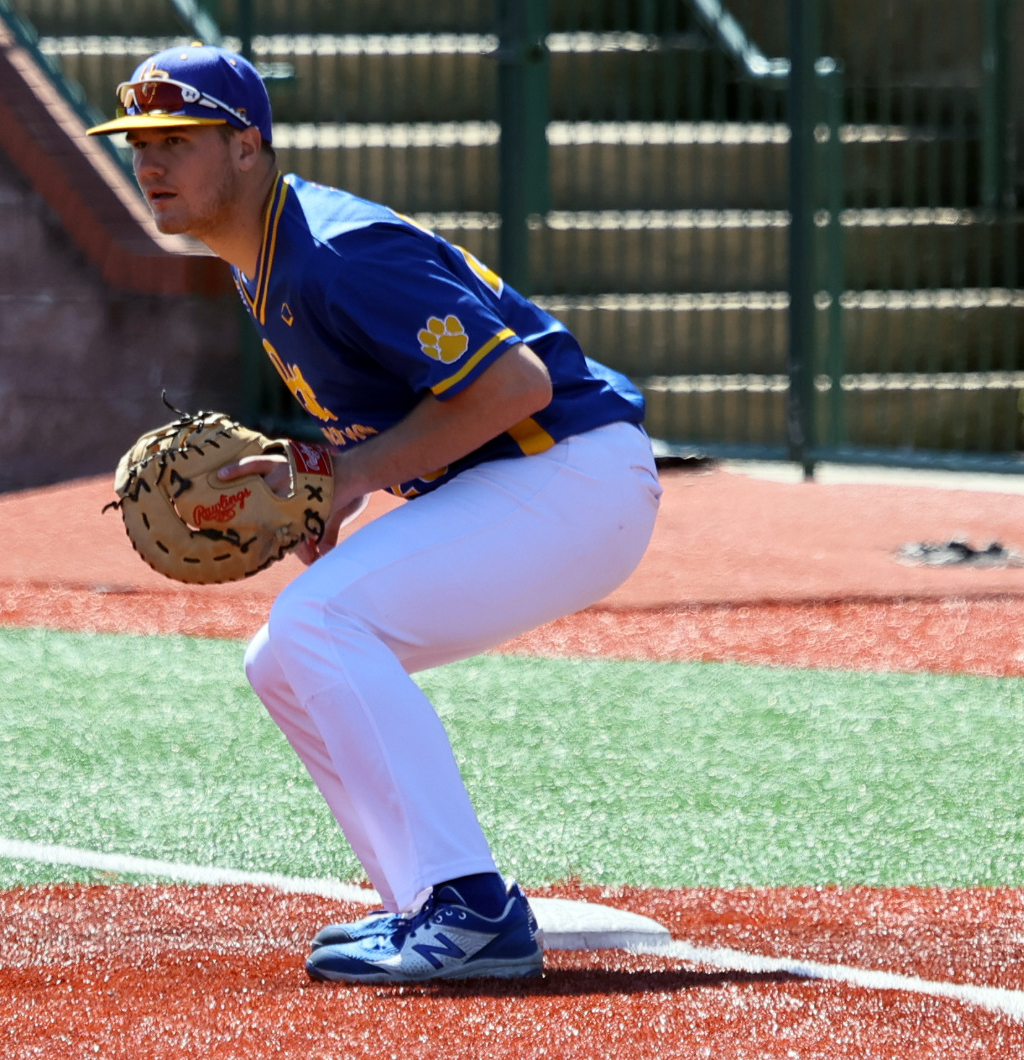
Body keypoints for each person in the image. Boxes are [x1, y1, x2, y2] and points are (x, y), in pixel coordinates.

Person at [87, 47, 661, 983]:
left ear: (245, 148)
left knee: (319, 619)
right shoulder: (267, 258)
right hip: (520, 483)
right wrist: (329, 489)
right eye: (139, 142)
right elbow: (412, 422)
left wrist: (351, 475)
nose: (149, 164)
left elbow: (513, 385)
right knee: (280, 659)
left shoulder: (336, 250)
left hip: (574, 473)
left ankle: (470, 908)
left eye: (177, 141)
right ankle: (424, 898)